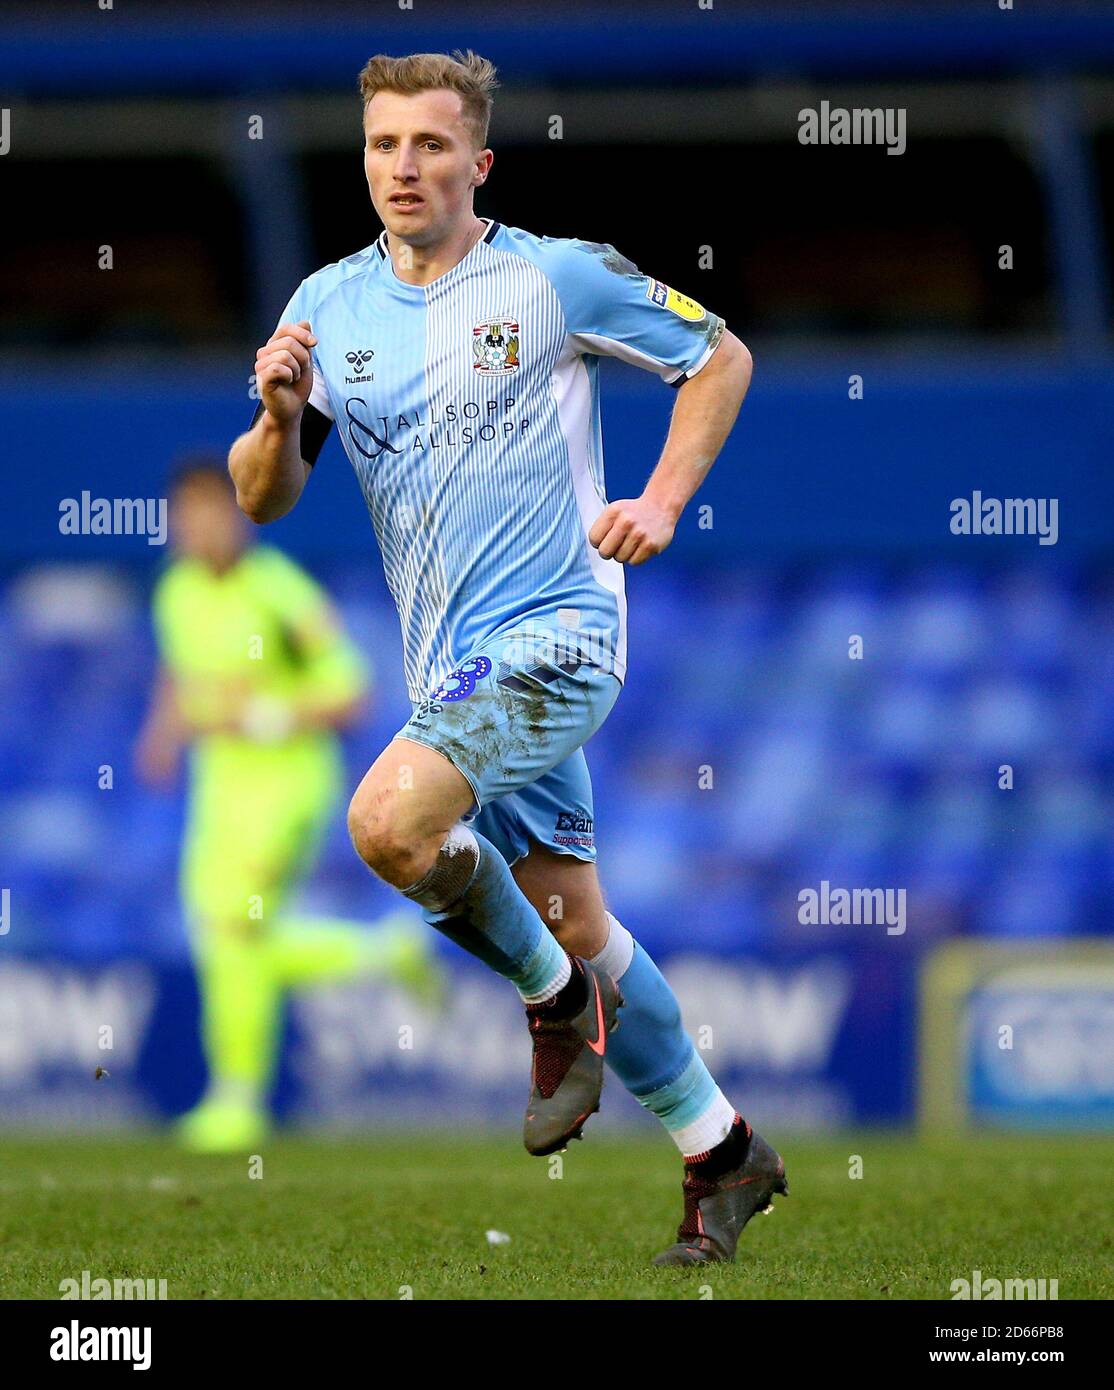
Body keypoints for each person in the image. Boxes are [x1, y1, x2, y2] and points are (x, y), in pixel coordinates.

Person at [228, 49, 785, 1263]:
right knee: (577, 919)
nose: (404, 168)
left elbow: (719, 357)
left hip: (557, 639)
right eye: (384, 145)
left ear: (477, 161)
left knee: (387, 827)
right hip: (454, 672)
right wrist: (274, 419)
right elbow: (262, 499)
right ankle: (721, 1148)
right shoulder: (328, 307)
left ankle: (550, 1006)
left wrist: (665, 498)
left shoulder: (554, 276)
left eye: (430, 145)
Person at [137, 460, 443, 1153]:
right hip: (218, 793)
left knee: (235, 931)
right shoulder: (176, 592)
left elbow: (351, 691)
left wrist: (263, 715)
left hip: (286, 787)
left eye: (210, 512)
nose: (197, 529)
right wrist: (160, 735)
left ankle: (237, 1103)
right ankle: (381, 953)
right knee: (226, 940)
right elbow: (179, 671)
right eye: (184, 516)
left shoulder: (279, 592)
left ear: (237, 516)